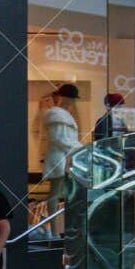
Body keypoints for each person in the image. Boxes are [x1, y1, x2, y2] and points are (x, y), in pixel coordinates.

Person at [40, 83, 81, 234]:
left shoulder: (61, 114)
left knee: (59, 193)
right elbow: (58, 137)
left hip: (65, 156)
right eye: (72, 98)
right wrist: (78, 148)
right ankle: (54, 231)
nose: (73, 101)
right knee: (55, 194)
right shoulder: (55, 114)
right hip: (59, 157)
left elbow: (62, 138)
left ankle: (56, 230)